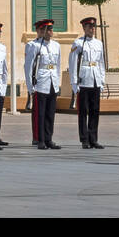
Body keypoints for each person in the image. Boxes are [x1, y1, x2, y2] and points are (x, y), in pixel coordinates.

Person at [69, 16, 106, 149]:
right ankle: (84, 139)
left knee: (95, 110)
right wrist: (74, 83)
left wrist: (102, 80)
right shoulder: (78, 43)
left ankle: (93, 138)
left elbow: (101, 62)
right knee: (83, 111)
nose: (92, 29)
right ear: (84, 28)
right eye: (89, 27)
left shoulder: (99, 43)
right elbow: (73, 63)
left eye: (93, 27)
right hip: (83, 79)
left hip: (95, 79)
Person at [24, 18, 62, 150]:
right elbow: (29, 67)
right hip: (40, 82)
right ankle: (40, 140)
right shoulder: (33, 46)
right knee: (40, 113)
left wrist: (58, 82)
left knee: (50, 113)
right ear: (42, 31)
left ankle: (48, 138)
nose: (51, 32)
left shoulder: (56, 46)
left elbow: (57, 65)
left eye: (51, 29)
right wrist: (30, 87)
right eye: (48, 29)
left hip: (52, 82)